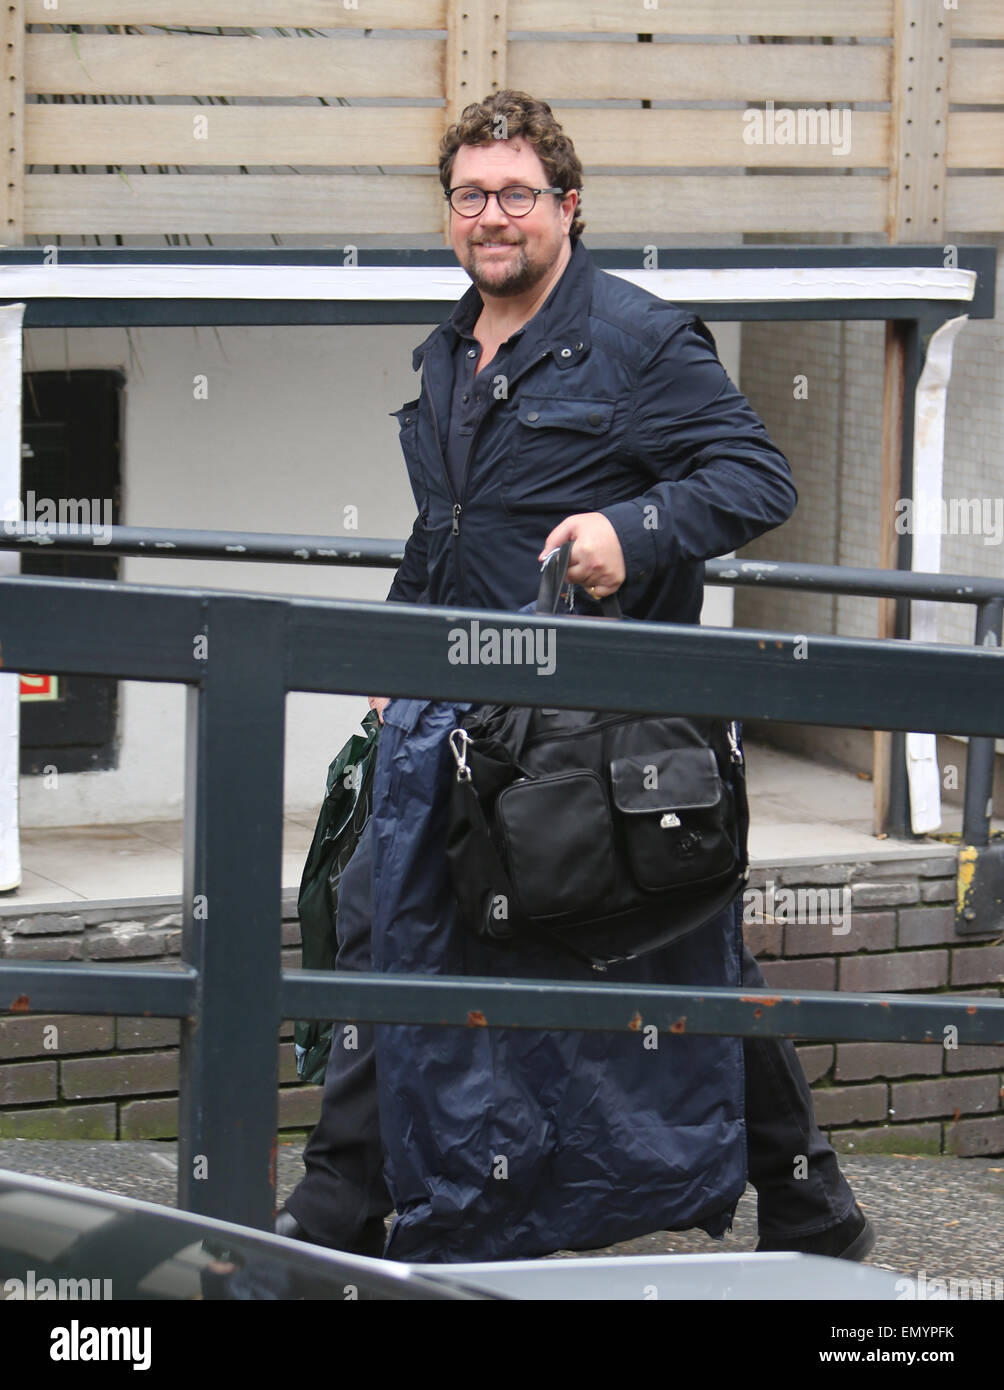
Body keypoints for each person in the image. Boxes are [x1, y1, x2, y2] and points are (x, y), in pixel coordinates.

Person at [277, 90, 875, 1263]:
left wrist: (634, 527)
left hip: (598, 735)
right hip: (459, 717)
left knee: (684, 949)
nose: (490, 216)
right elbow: (443, 531)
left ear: (566, 205)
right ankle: (339, 1201)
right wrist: (392, 657)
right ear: (448, 210)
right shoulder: (450, 349)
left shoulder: (640, 339)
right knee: (392, 921)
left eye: (515, 194)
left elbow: (757, 478)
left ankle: (811, 1201)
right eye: (468, 195)